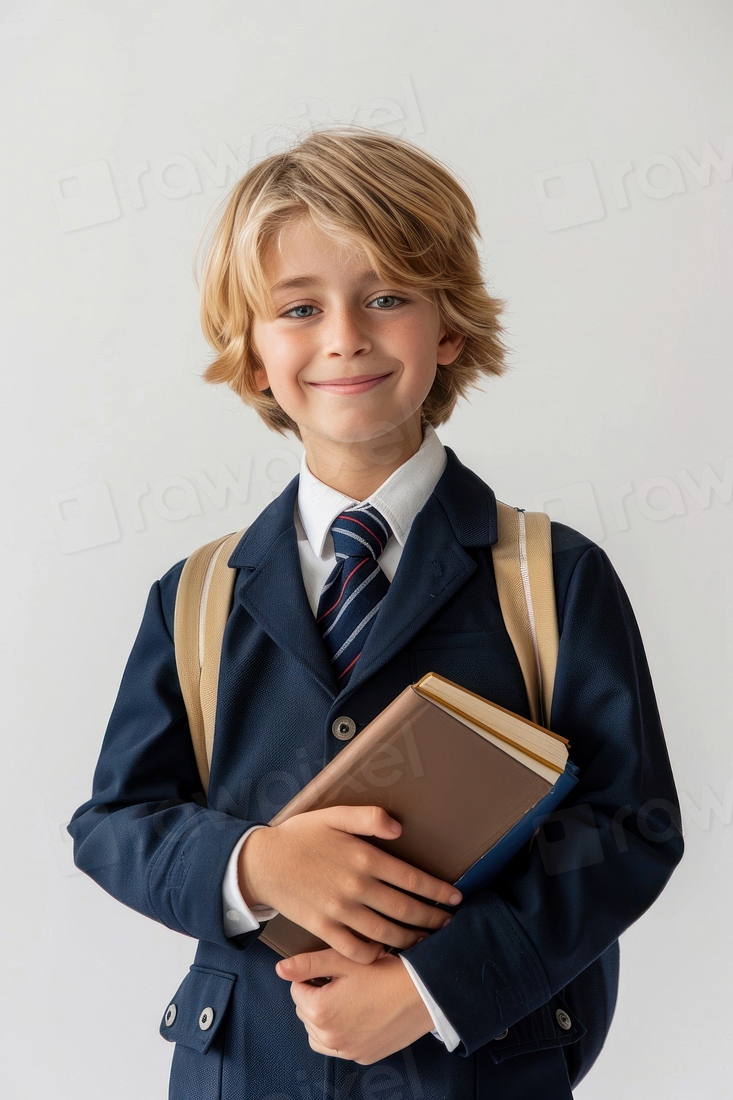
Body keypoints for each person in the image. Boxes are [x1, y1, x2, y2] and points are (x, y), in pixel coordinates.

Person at [68, 126, 684, 1100]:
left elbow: (631, 827)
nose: (345, 333)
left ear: (446, 329)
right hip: (245, 1071)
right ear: (256, 356)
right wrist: (254, 861)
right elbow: (114, 822)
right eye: (300, 307)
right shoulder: (195, 596)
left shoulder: (553, 577)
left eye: (386, 296)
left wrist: (433, 986)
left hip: (475, 1071)